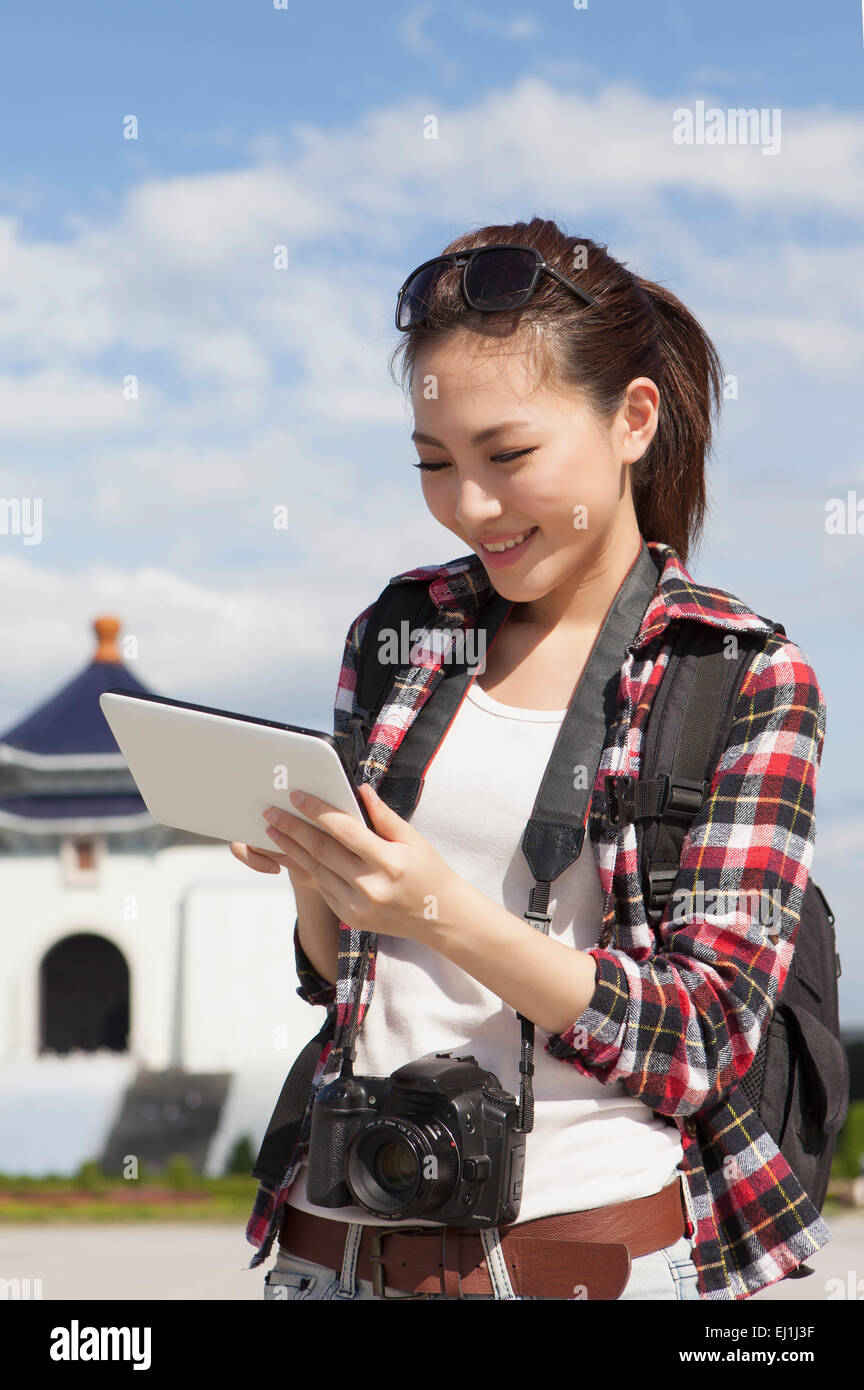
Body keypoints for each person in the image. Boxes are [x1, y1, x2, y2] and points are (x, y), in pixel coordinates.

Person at [231, 217, 829, 1300]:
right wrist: (320, 872)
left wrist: (444, 911)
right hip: (333, 1253)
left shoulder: (740, 673)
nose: (471, 505)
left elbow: (698, 1039)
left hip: (576, 1262)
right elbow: (339, 978)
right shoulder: (398, 630)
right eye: (435, 463)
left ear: (633, 420)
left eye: (508, 456)